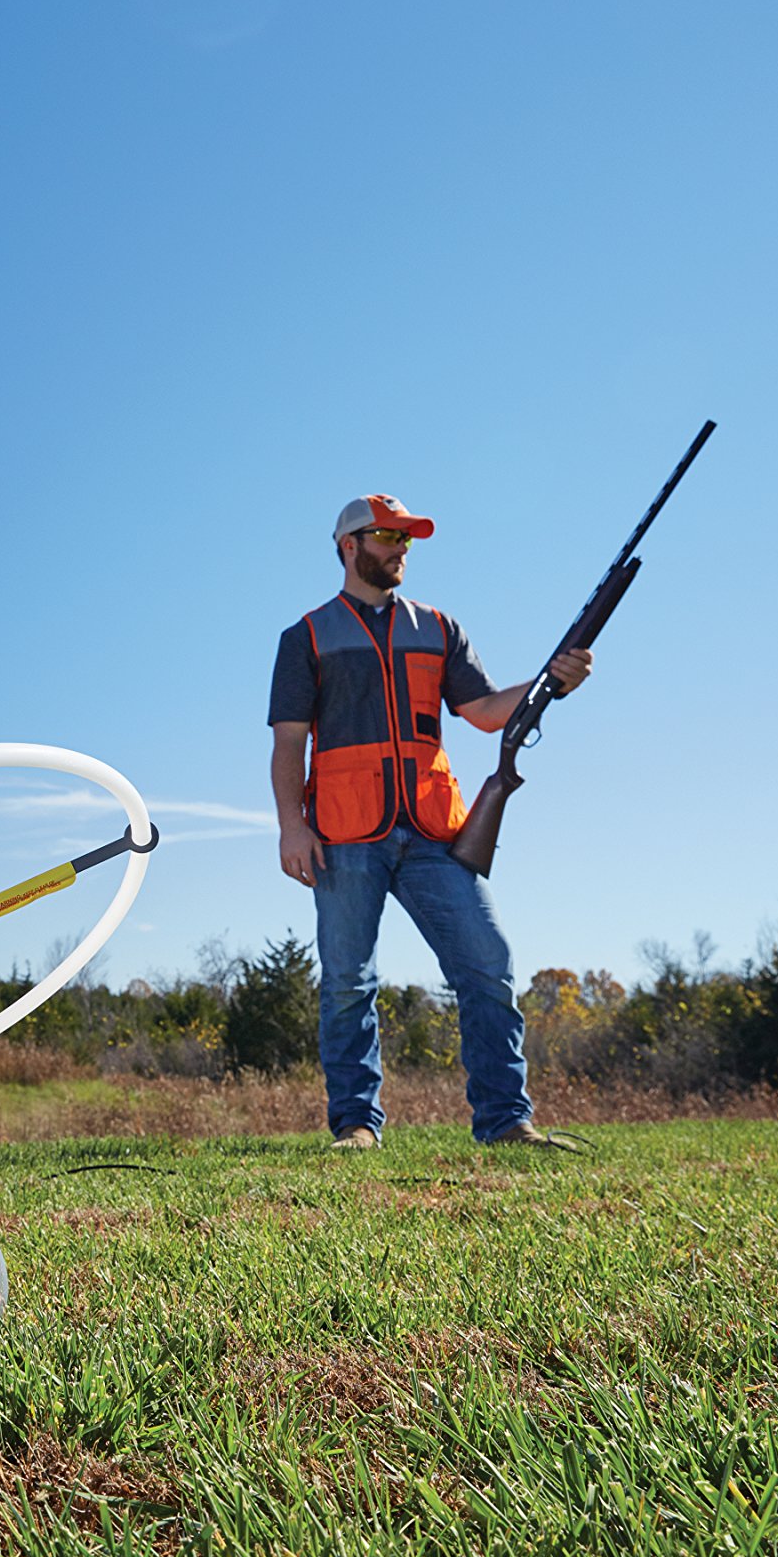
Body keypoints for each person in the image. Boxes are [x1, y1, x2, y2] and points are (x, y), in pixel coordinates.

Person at [267, 492, 590, 1150]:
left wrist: (549, 681)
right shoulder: (305, 637)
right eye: (387, 536)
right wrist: (291, 825)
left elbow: (486, 711)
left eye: (407, 539)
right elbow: (287, 743)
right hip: (344, 833)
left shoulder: (440, 628)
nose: (400, 549)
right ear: (349, 546)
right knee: (348, 985)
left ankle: (506, 1122)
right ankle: (356, 1126)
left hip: (435, 829)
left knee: (488, 964)